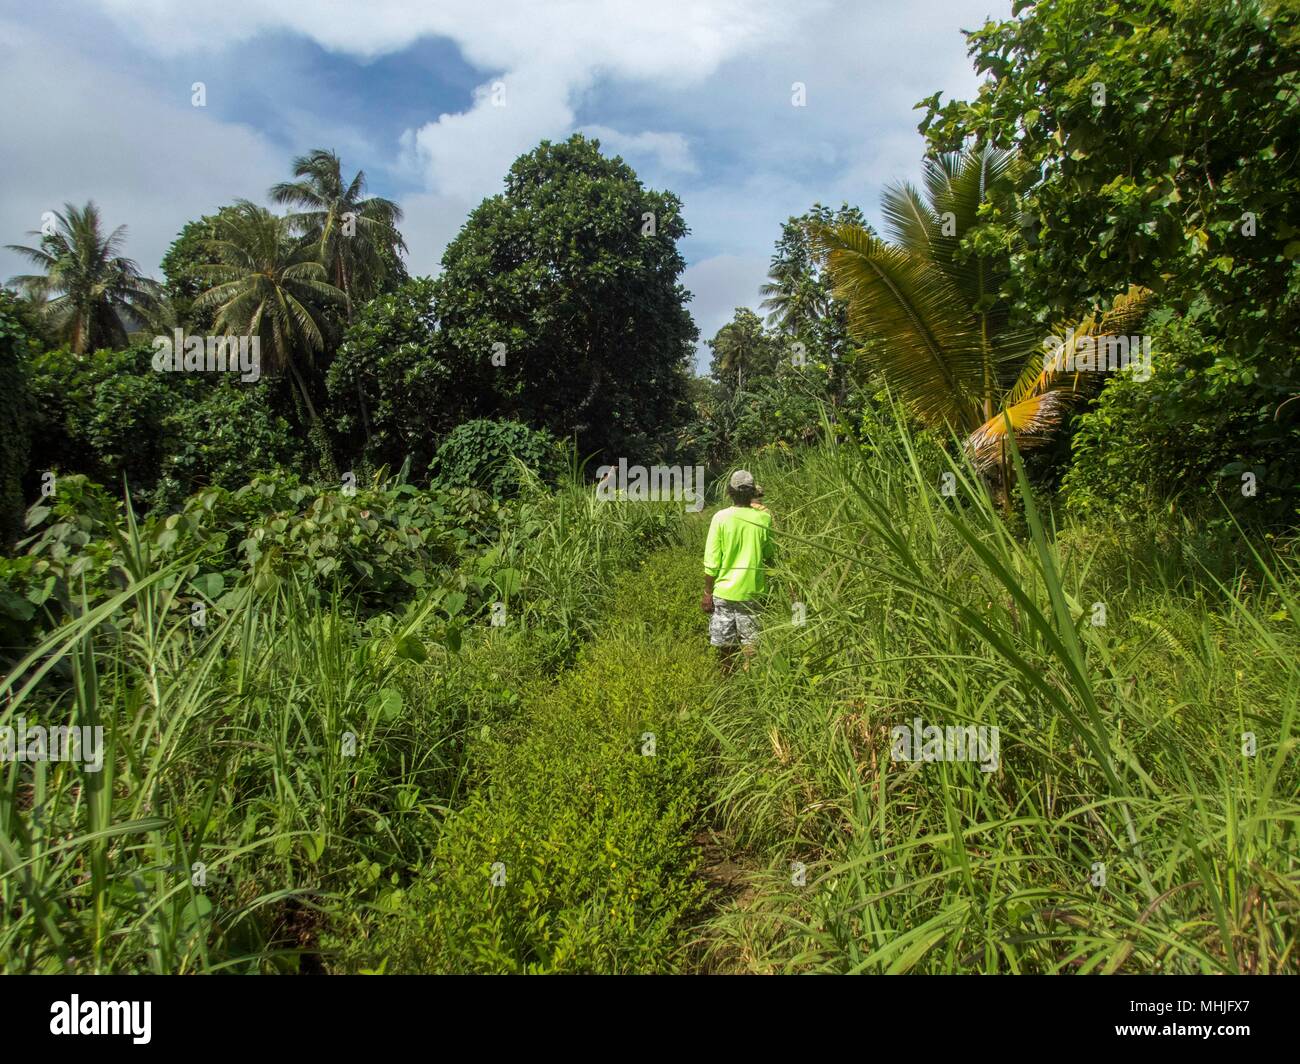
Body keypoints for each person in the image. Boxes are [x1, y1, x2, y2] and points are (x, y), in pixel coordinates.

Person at [702, 470, 773, 674]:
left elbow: (712, 562)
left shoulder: (720, 518)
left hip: (724, 593)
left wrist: (708, 593)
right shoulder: (763, 518)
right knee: (751, 643)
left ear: (729, 493)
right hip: (753, 592)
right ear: (753, 493)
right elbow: (768, 553)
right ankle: (749, 680)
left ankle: (728, 681)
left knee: (725, 645)